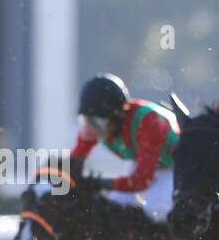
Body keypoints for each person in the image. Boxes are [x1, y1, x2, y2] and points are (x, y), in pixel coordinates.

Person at [71, 72, 179, 225]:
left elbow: (142, 180)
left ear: (118, 115)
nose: (92, 130)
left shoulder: (147, 122)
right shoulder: (103, 125)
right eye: (87, 121)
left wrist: (104, 183)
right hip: (143, 162)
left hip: (173, 167)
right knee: (116, 205)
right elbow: (75, 159)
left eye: (97, 122)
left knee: (157, 209)